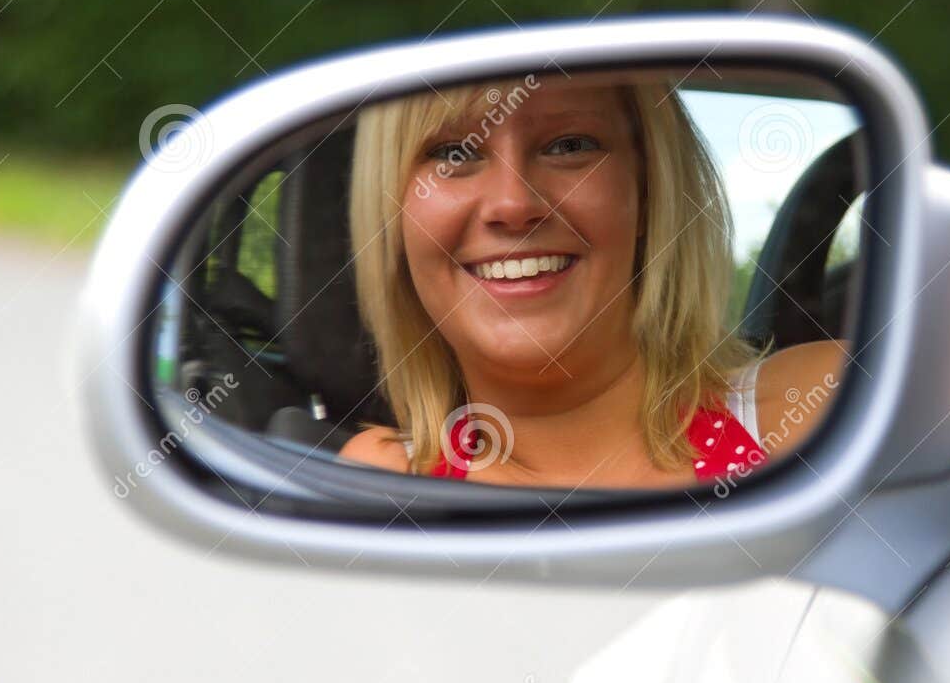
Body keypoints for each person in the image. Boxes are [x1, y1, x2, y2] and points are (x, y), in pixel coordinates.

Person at [338, 74, 846, 489]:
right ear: (393, 217)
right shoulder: (385, 481)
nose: (513, 204)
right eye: (454, 153)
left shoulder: (825, 403)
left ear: (649, 191)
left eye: (569, 145)